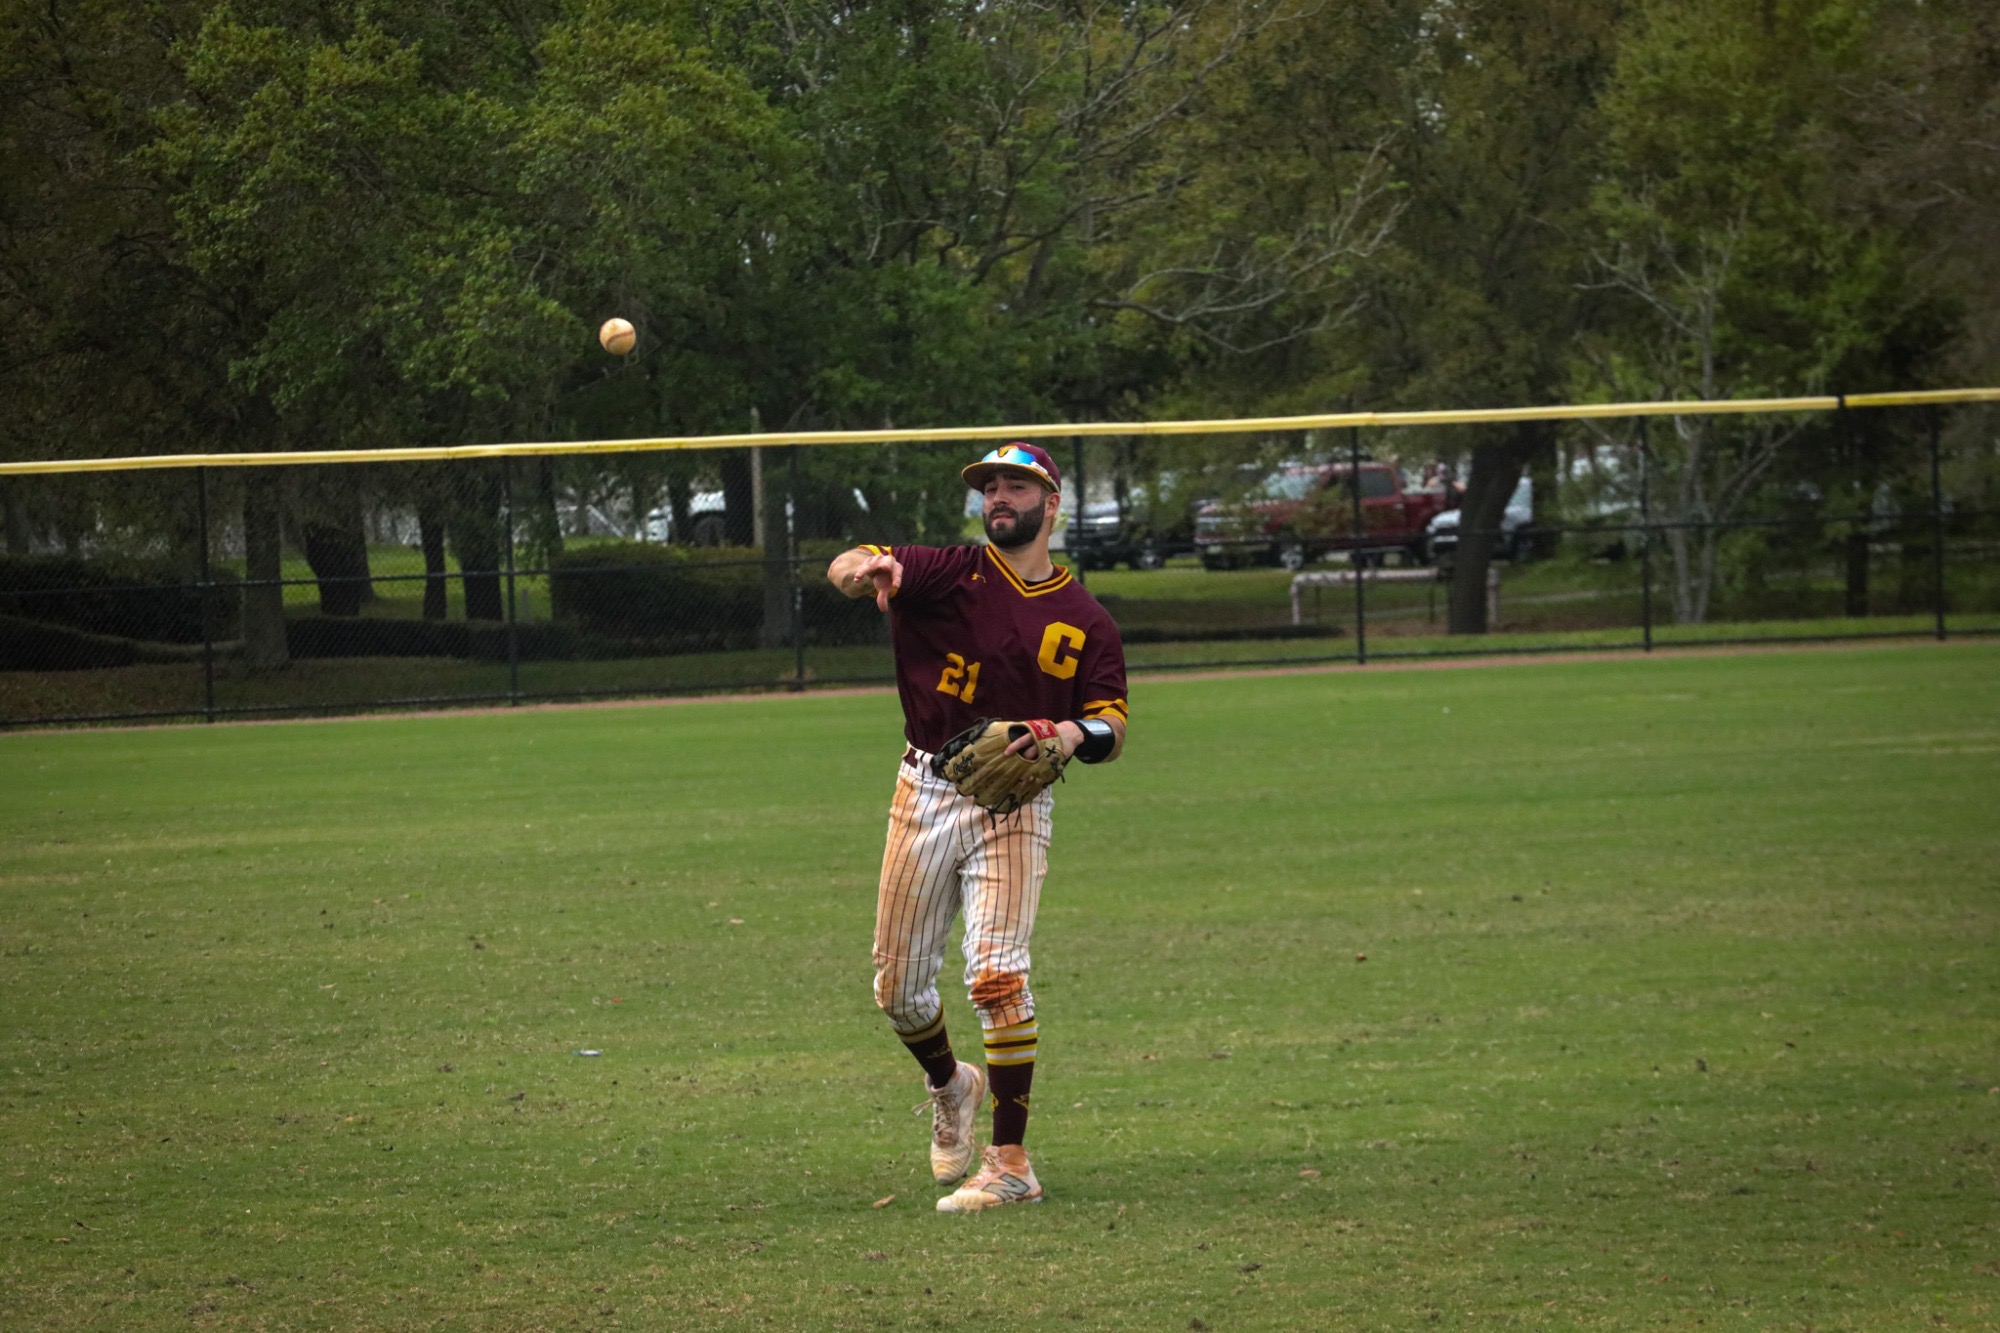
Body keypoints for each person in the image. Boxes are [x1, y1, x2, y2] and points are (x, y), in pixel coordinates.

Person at [826, 442, 1129, 1213]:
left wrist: (1068, 736)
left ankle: (1011, 1161)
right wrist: (861, 569)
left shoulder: (1085, 618)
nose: (998, 496)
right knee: (897, 991)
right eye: (989, 486)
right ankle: (950, 1084)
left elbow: (1111, 725)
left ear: (1050, 503)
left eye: (1015, 485)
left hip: (1016, 802)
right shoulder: (947, 569)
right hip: (922, 787)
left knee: (997, 972)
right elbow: (859, 559)